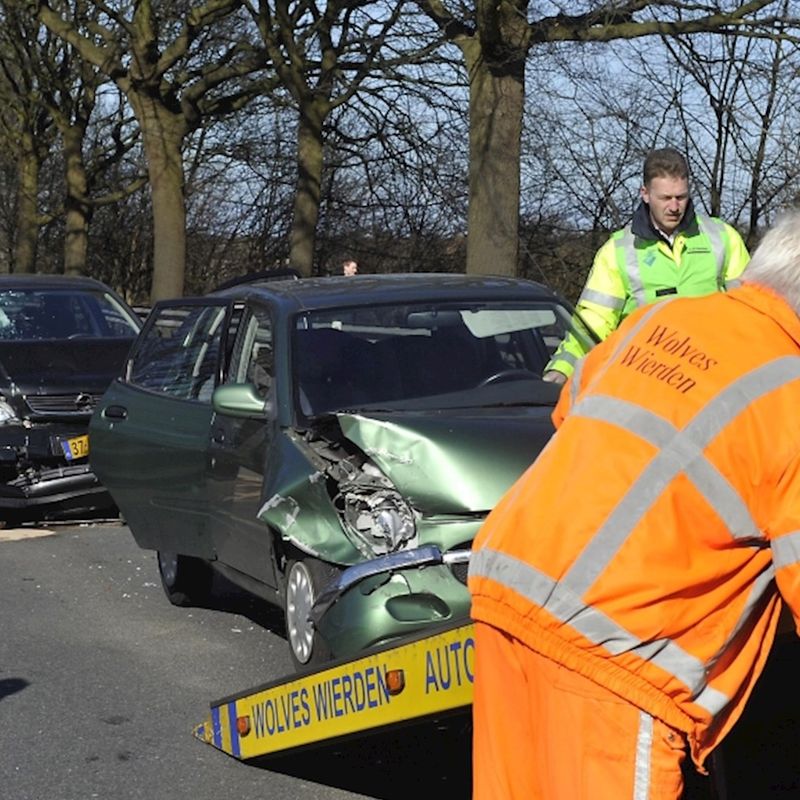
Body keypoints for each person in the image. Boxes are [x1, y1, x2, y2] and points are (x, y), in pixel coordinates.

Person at [468, 207, 800, 800]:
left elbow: (571, 413)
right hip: (618, 649)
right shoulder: (792, 393)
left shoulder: (662, 317)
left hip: (508, 584)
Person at [544, 147, 750, 383]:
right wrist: (560, 371)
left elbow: (752, 311)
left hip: (715, 381)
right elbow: (593, 324)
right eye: (665, 198)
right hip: (646, 384)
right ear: (645, 193)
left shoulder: (722, 237)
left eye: (681, 197)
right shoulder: (618, 251)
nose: (674, 207)